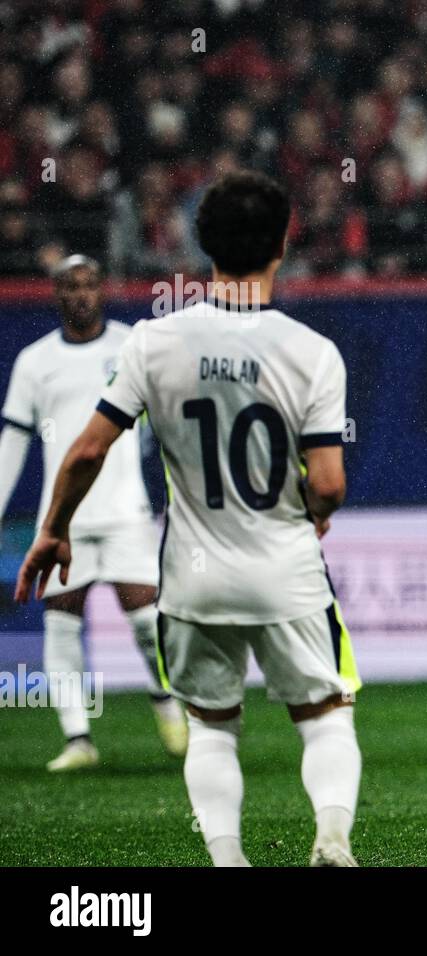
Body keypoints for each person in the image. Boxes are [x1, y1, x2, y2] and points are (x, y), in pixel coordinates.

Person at [15, 171, 362, 867]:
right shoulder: (312, 352)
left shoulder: (150, 343)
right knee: (324, 716)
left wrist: (52, 529)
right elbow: (329, 483)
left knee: (212, 728)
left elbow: (86, 450)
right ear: (282, 246)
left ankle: (228, 860)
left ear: (204, 246)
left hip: (194, 578)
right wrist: (312, 512)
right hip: (285, 570)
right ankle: (330, 839)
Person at [0, 254, 186, 771]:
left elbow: (166, 422)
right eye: (69, 287)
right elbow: (13, 441)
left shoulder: (131, 345)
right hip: (64, 520)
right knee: (61, 627)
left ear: (102, 290)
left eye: (88, 285)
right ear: (56, 294)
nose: (80, 295)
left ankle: (165, 700)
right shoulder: (35, 362)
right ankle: (78, 739)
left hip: (125, 510)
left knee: (149, 622)